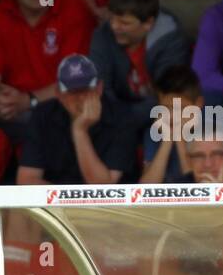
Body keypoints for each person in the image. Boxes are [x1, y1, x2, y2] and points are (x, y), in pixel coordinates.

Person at [0, 0, 96, 152]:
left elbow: (77, 81)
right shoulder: (1, 13)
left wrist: (29, 100)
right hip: (9, 109)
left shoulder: (73, 10)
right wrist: (4, 101)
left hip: (60, 110)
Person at [88, 0, 190, 144]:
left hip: (156, 118)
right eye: (112, 18)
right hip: (115, 118)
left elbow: (167, 96)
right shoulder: (102, 35)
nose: (114, 26)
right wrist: (115, 119)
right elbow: (100, 89)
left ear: (148, 23)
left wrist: (124, 120)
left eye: (124, 23)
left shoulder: (171, 41)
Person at [15, 54, 136, 185]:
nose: (79, 98)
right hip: (55, 204)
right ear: (59, 94)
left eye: (85, 90)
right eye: (72, 92)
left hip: (111, 205)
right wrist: (66, 200)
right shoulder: (43, 115)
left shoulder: (121, 117)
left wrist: (80, 131)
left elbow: (103, 187)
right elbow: (26, 179)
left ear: (99, 88)